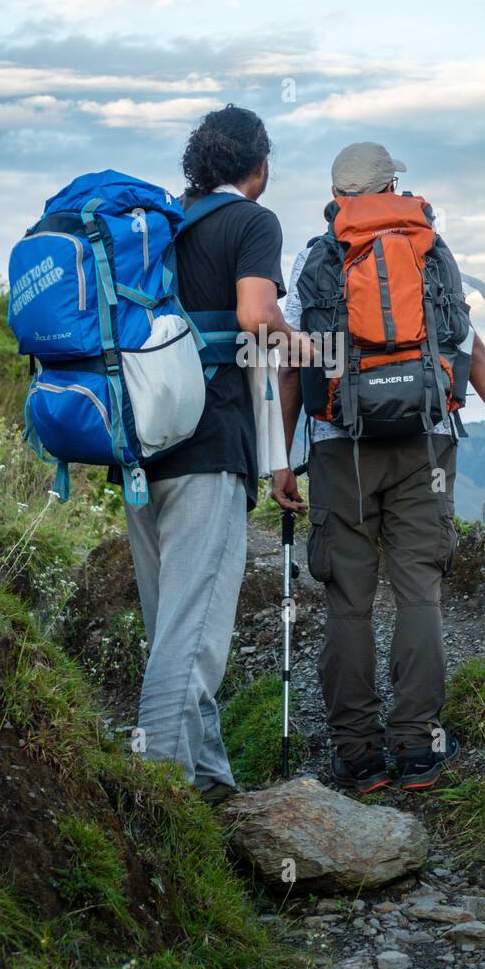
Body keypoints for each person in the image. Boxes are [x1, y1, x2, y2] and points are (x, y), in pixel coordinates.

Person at [273, 142, 485, 792]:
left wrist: (281, 460)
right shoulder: (432, 252)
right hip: (427, 443)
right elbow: (468, 349)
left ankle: (358, 756)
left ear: (338, 196)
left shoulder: (318, 257)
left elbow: (289, 369)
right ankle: (419, 748)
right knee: (420, 591)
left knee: (349, 600)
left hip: (342, 445)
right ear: (395, 185)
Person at [125, 105, 298, 804]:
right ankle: (159, 807)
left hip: (141, 444)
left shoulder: (164, 227)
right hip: (207, 443)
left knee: (171, 622)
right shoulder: (253, 221)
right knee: (193, 634)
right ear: (259, 167)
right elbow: (257, 318)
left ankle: (209, 784)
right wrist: (303, 341)